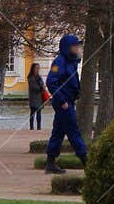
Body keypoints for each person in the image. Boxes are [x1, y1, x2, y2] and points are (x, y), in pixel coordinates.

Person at [42, 34, 87, 175]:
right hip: (64, 103)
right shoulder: (59, 62)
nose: (78, 48)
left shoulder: (71, 62)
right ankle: (86, 161)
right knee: (73, 131)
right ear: (68, 47)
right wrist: (62, 101)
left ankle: (50, 162)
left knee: (58, 131)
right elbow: (51, 82)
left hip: (68, 101)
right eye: (75, 46)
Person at [26, 62, 45, 131]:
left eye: (38, 68)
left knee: (39, 113)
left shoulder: (39, 77)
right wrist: (41, 88)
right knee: (32, 112)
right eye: (36, 68)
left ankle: (39, 127)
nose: (38, 69)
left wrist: (43, 87)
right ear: (33, 69)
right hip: (33, 97)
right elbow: (34, 87)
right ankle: (31, 127)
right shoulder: (31, 78)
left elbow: (42, 84)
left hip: (39, 97)